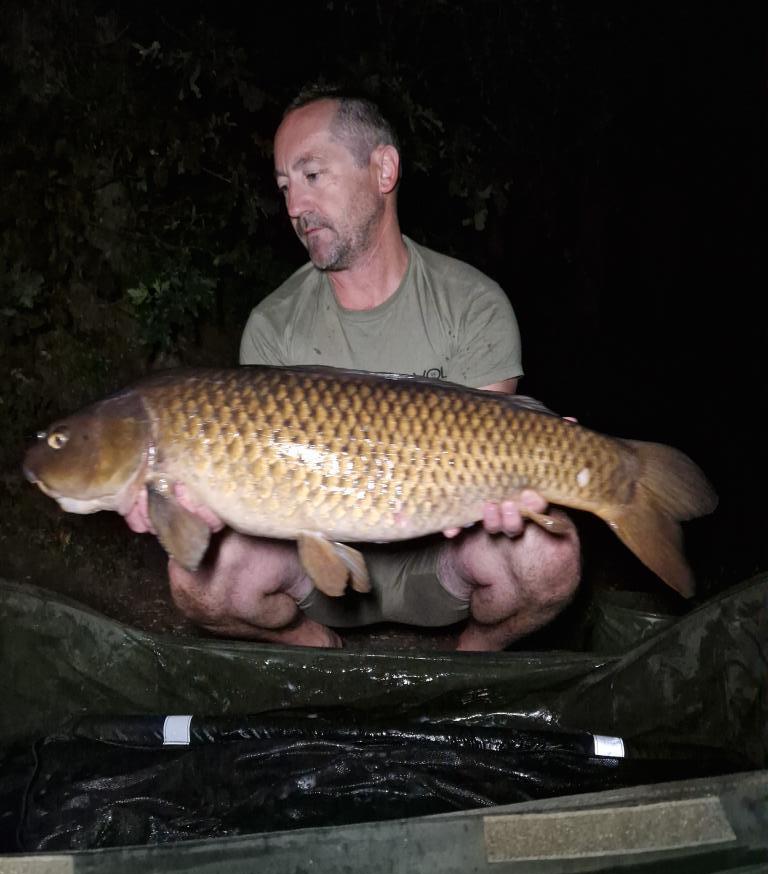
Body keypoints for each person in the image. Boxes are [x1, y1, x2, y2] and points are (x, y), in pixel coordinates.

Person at [124, 86, 581, 651]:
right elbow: (256, 487)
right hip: (316, 573)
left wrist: (530, 472)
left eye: (312, 176)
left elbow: (487, 445)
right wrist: (199, 509)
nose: (294, 207)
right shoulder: (274, 325)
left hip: (440, 554)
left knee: (551, 557)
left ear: (383, 169)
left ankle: (474, 657)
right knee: (199, 578)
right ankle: (317, 650)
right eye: (285, 186)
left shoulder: (472, 305)